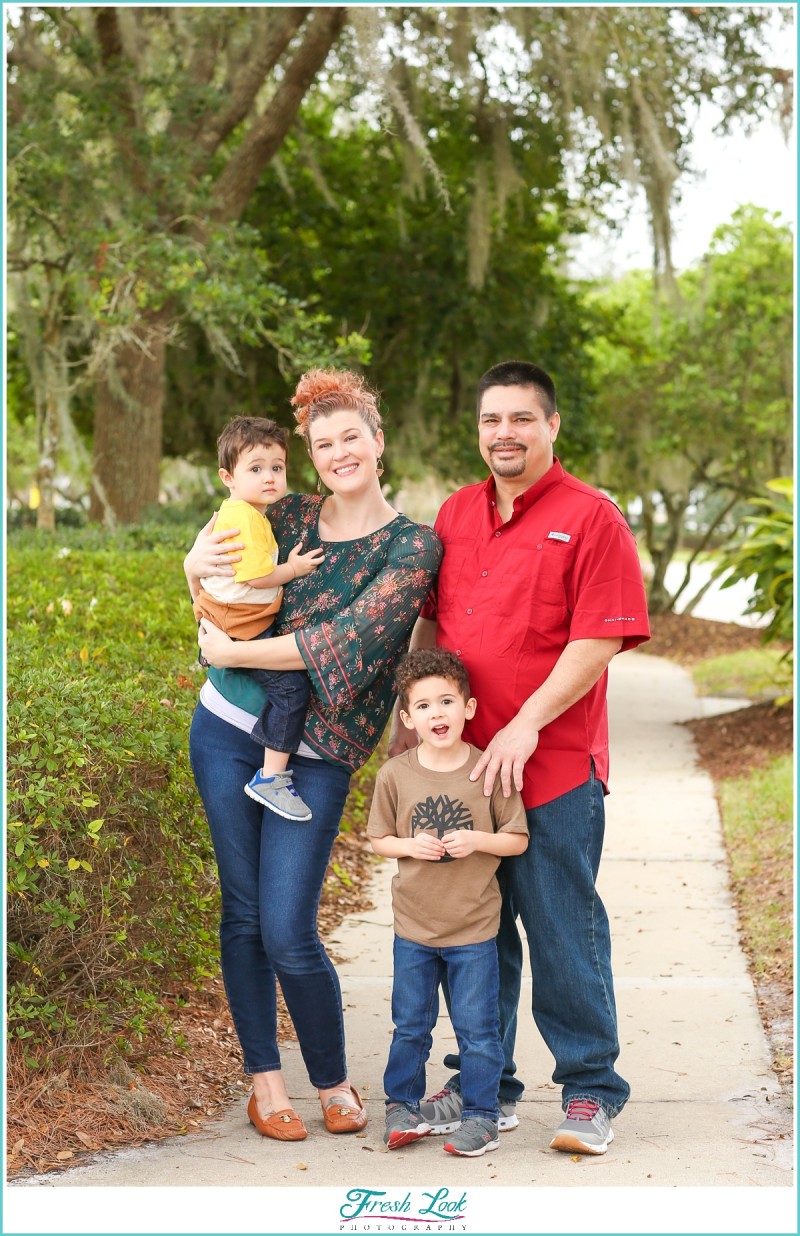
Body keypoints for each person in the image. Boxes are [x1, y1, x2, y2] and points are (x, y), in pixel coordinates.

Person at [389, 360, 650, 1156]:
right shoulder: (454, 514)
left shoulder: (592, 517)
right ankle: (485, 1087)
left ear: (551, 426)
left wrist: (527, 724)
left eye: (520, 419)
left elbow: (598, 638)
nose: (504, 433)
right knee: (476, 937)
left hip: (553, 770)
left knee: (563, 932)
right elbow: (431, 625)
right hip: (462, 774)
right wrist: (410, 717)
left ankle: (589, 1090)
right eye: (491, 419)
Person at [185, 368, 442, 1143]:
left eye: (350, 437)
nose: (338, 453)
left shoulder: (411, 547)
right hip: (228, 729)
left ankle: (331, 1080)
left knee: (289, 926)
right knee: (243, 913)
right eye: (322, 444)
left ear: (378, 441)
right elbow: (215, 565)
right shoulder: (288, 512)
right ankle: (265, 1082)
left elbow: (350, 643)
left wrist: (235, 650)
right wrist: (193, 567)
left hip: (319, 752)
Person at [368, 648, 528, 1158]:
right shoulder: (395, 775)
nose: (436, 713)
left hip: (473, 929)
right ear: (407, 717)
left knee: (477, 1030)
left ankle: (481, 1117)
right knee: (411, 1026)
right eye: (423, 705)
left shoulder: (488, 770)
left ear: (468, 708)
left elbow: (516, 838)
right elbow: (379, 839)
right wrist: (409, 845)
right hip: (414, 928)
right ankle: (402, 1108)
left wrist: (478, 840)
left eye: (446, 701)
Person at [193, 415, 325, 821]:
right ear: (227, 477)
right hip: (240, 627)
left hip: (232, 619)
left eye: (276, 467)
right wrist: (293, 569)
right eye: (255, 469)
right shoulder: (245, 519)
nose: (269, 477)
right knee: (291, 690)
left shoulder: (250, 513)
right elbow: (256, 577)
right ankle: (272, 778)